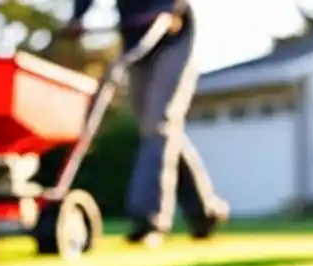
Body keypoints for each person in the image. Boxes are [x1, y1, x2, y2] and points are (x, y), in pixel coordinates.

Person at [62, 0, 230, 247]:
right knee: (157, 129)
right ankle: (205, 212)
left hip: (174, 30)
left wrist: (173, 7)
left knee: (159, 124)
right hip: (133, 33)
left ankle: (150, 221)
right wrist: (78, 18)